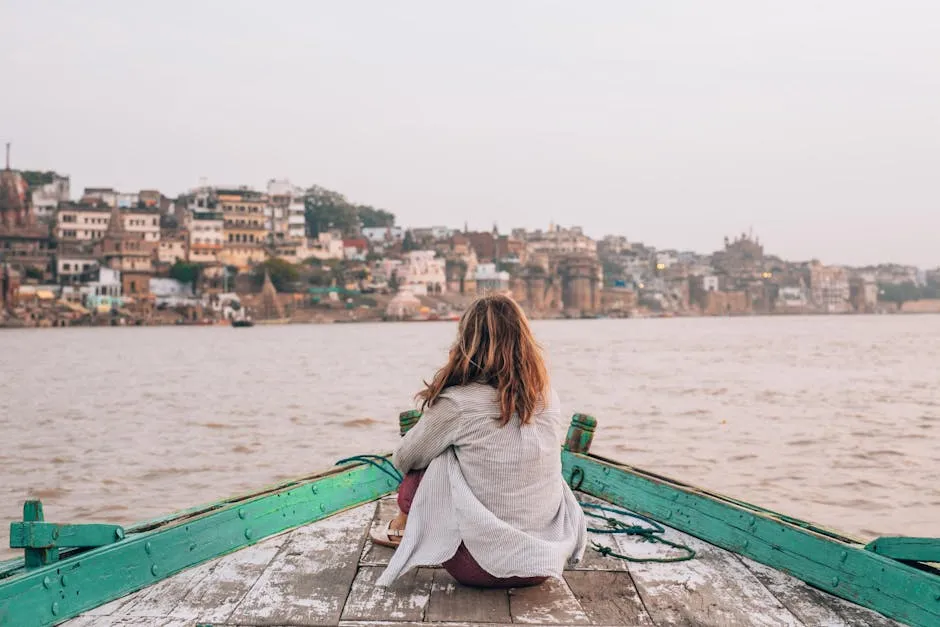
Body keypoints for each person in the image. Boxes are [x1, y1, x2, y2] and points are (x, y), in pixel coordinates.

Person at [373, 294, 587, 588]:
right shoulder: (546, 395)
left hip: (476, 566)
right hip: (543, 564)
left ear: (467, 342)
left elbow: (404, 459)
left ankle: (401, 527)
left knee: (436, 455)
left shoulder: (458, 403)